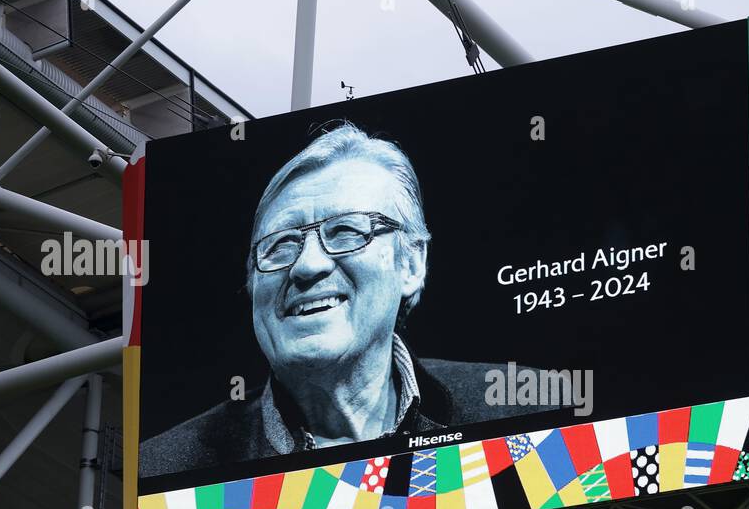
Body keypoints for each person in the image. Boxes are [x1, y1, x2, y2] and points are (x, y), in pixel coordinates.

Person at [140, 122, 519, 476]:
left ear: (411, 263)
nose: (307, 265)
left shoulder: (523, 409)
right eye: (281, 244)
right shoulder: (163, 470)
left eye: (346, 231)